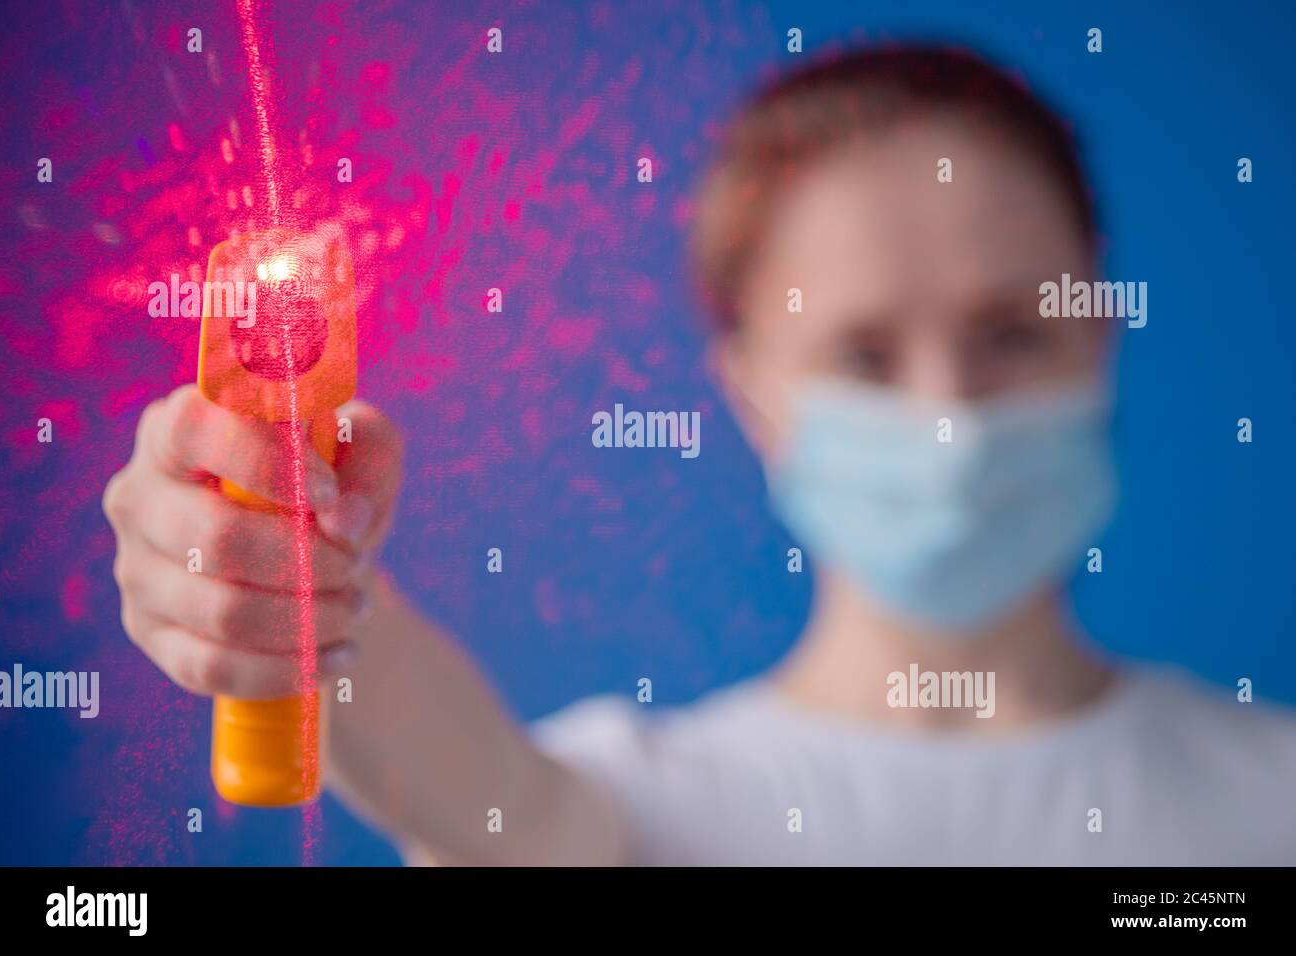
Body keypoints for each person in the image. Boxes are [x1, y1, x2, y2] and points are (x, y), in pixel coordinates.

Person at [103, 47, 1296, 865]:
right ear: (750, 391)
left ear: (1103, 331)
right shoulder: (629, 810)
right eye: (864, 354)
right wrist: (285, 587)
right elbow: (495, 807)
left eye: (1010, 335)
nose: (947, 412)